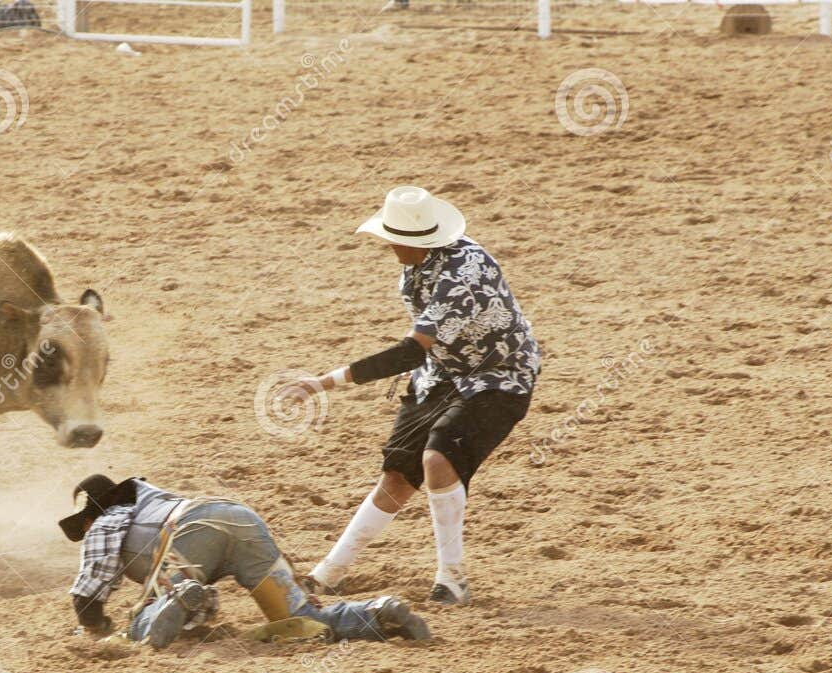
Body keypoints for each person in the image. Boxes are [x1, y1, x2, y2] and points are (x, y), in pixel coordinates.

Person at [279, 186, 541, 607]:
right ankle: (330, 572)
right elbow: (423, 351)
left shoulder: (463, 273)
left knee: (438, 458)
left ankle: (452, 580)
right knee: (398, 474)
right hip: (440, 374)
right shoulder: (416, 267)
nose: (390, 244)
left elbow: (409, 349)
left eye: (396, 238)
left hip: (499, 376)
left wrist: (323, 382)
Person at [60, 474, 431, 649]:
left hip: (190, 533)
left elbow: (88, 593)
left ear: (91, 515)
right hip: (237, 517)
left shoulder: (105, 522)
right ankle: (381, 613)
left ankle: (177, 598)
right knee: (299, 618)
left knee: (145, 618)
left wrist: (95, 627)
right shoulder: (152, 502)